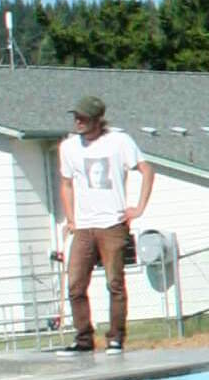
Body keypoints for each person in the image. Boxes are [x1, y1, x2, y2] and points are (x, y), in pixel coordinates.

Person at [56, 92, 155, 353]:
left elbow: (146, 170)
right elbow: (66, 184)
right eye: (76, 117)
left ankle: (115, 337)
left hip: (112, 223)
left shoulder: (119, 141)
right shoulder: (68, 147)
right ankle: (83, 338)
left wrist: (139, 207)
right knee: (75, 283)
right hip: (85, 226)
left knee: (114, 282)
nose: (78, 122)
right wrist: (71, 218)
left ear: (97, 120)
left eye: (84, 118)